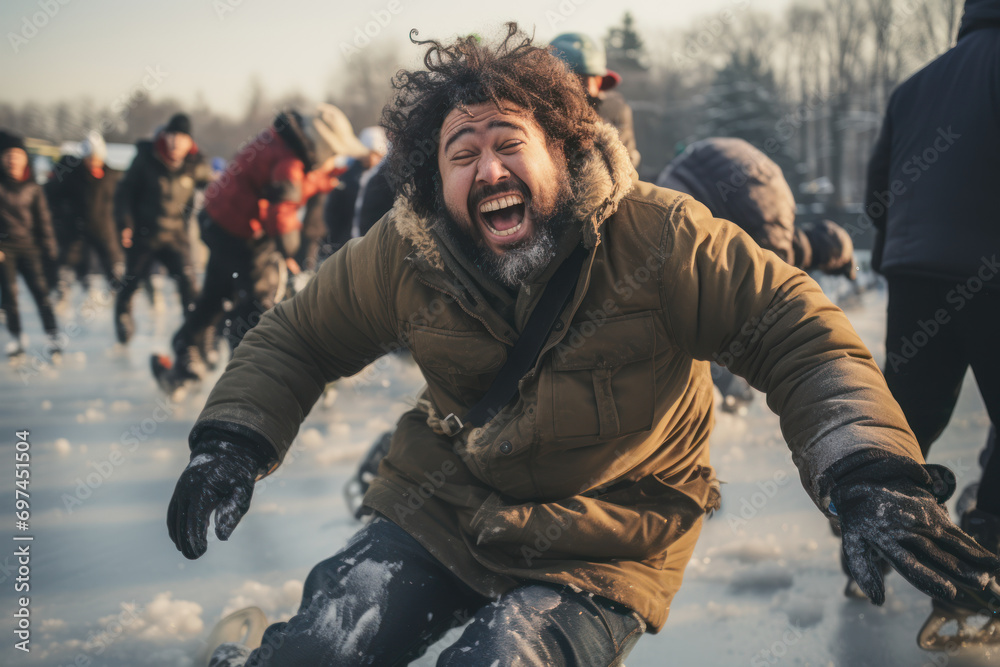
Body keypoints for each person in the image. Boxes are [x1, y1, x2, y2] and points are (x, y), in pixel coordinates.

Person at [167, 27, 999, 666]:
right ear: (435, 179)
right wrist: (234, 438)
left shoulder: (659, 236)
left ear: (558, 151)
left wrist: (867, 469)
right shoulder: (405, 247)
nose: (488, 167)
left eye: (508, 143)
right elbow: (300, 331)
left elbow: (796, 330)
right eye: (463, 153)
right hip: (447, 506)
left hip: (607, 539)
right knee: (326, 644)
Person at [864, 0, 1000, 648]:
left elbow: (877, 187)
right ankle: (985, 550)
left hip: (917, 272)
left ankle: (869, 526)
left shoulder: (917, 85)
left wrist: (895, 254)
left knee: (907, 418)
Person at [153, 105, 368, 393]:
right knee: (254, 299)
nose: (331, 159)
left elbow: (295, 182)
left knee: (218, 294)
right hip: (236, 230)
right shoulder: (289, 161)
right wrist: (292, 255)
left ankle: (187, 355)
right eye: (331, 152)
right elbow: (282, 211)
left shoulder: (285, 143)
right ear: (319, 143)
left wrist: (326, 177)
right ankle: (242, 378)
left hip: (221, 222)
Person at [657, 137, 857, 413]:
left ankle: (724, 392)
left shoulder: (778, 214)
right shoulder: (772, 241)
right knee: (736, 307)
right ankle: (729, 396)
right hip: (703, 208)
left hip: (672, 189)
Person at [113, 113, 212, 344]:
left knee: (189, 284)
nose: (176, 142)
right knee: (131, 281)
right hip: (145, 234)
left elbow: (217, 189)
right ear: (164, 136)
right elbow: (124, 193)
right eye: (172, 136)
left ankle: (194, 336)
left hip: (176, 236)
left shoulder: (195, 165)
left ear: (190, 142)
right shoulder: (146, 158)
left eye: (182, 138)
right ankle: (123, 319)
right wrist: (125, 224)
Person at [0, 130, 61, 358]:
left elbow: (43, 221)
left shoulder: (33, 187)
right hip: (4, 248)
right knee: (9, 296)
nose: (12, 160)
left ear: (25, 159)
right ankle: (17, 339)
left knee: (41, 293)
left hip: (29, 246)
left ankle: (54, 337)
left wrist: (50, 251)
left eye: (17, 155)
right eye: (7, 155)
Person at [45, 130, 124, 299]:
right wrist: (60, 216)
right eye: (90, 158)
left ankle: (117, 294)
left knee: (111, 262)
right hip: (76, 226)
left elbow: (123, 201)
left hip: (103, 228)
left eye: (97, 158)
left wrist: (124, 223)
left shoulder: (112, 176)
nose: (94, 162)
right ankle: (62, 292)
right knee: (67, 260)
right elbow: (52, 195)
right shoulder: (72, 174)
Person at [549, 31, 641, 169]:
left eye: (594, 77)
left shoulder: (615, 109)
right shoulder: (535, 112)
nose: (590, 88)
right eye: (577, 78)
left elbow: (627, 165)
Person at [322, 125, 390, 255]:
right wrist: (336, 238)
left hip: (374, 246)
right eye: (368, 153)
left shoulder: (385, 181)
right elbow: (333, 210)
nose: (371, 159)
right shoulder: (347, 177)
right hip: (345, 244)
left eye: (376, 154)